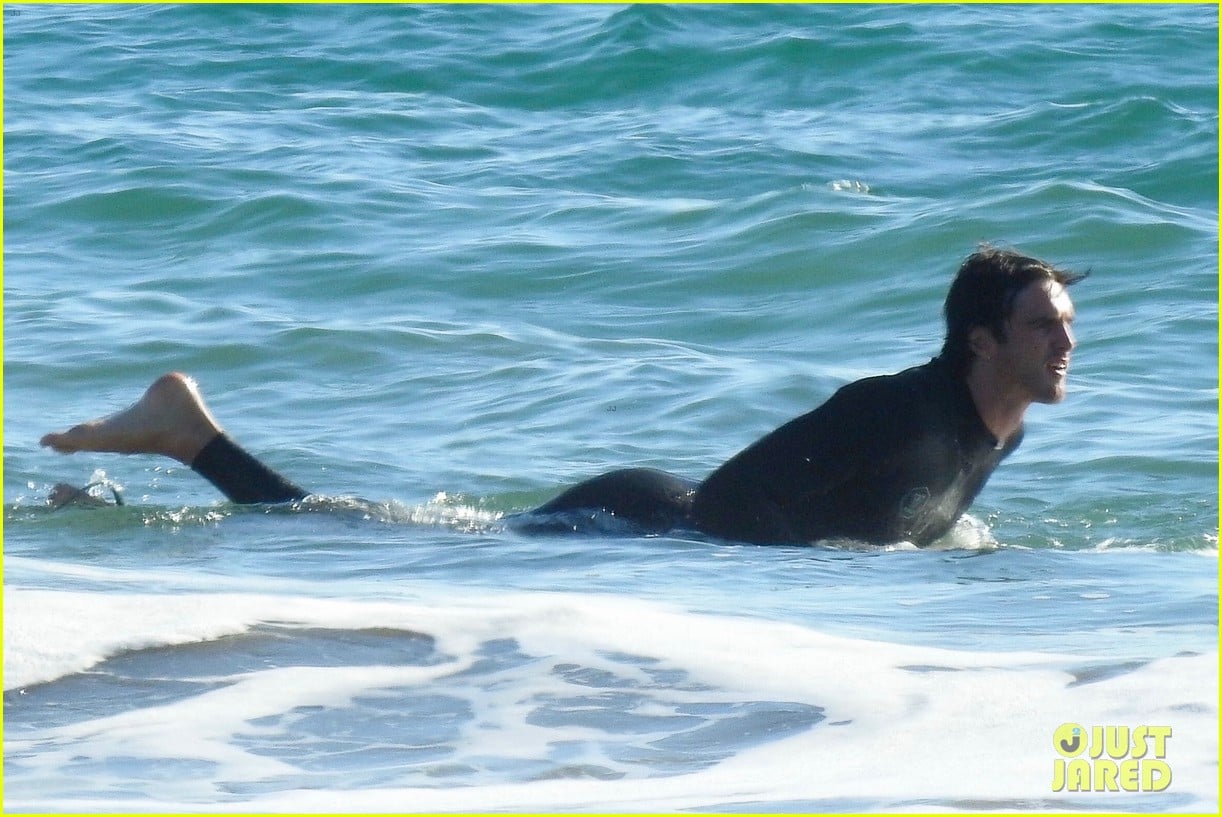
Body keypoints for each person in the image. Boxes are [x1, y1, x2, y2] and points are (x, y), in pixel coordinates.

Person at [40, 245, 1083, 547]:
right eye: (1044, 325)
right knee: (400, 540)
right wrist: (834, 567)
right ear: (983, 339)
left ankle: (190, 441)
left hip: (662, 529)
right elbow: (728, 502)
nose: (1064, 342)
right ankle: (190, 437)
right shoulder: (896, 408)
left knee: (413, 532)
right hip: (636, 518)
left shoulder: (1000, 429)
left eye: (1066, 326)